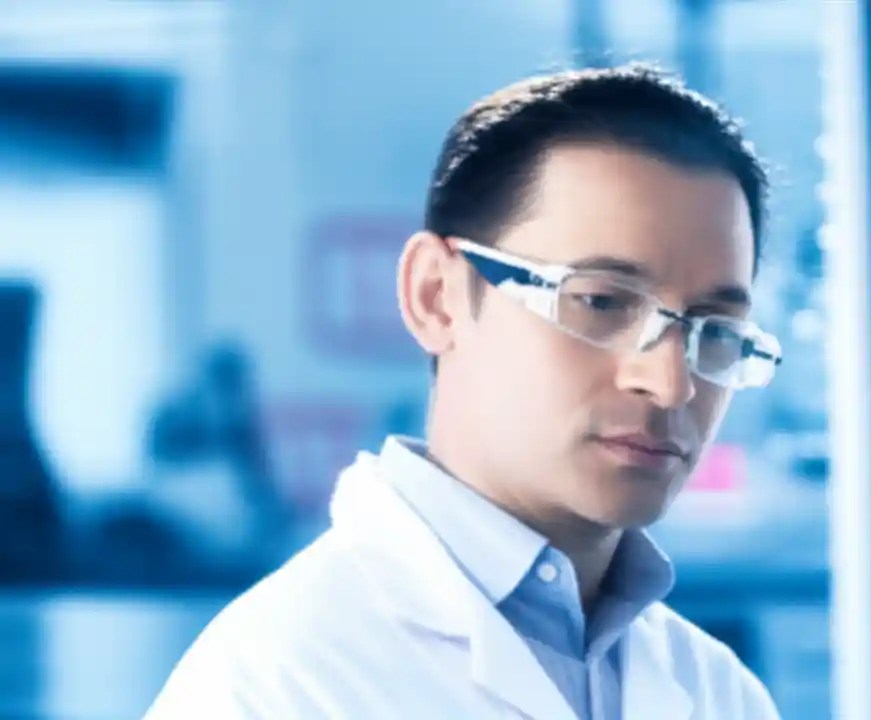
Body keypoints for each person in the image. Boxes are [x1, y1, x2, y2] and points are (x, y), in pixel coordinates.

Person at [146, 63, 785, 720]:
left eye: (717, 332)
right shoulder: (273, 685)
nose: (670, 381)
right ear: (438, 296)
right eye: (600, 301)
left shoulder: (717, 692)